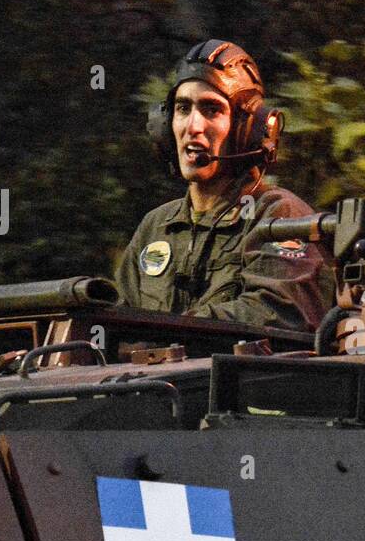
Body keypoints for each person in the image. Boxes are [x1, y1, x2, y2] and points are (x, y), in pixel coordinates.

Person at [115, 40, 333, 330]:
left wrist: (166, 333)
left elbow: (279, 313)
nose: (193, 126)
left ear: (248, 131)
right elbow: (115, 320)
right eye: (183, 108)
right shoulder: (156, 226)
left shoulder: (279, 216)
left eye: (211, 110)